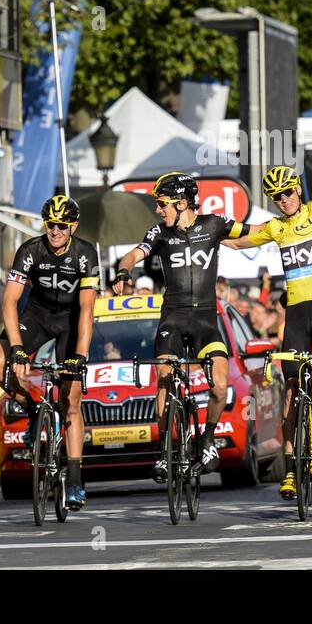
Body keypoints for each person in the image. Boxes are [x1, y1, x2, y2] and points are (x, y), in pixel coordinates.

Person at [223, 100, 312, 501]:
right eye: (276, 196)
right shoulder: (276, 228)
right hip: (297, 314)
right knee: (292, 394)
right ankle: (289, 466)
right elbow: (238, 239)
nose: (283, 199)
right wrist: (198, 229)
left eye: (287, 192)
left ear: (298, 189)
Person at [112, 171, 247, 477]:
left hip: (205, 321)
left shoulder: (214, 225)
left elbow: (252, 234)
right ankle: (163, 451)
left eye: (162, 204)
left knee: (220, 386)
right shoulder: (160, 233)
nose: (158, 210)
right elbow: (132, 255)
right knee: (164, 377)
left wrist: (286, 231)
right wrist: (124, 272)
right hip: (172, 318)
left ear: (182, 203)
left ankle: (208, 439)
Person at [0, 195, 98, 510]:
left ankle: (75, 480)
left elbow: (87, 310)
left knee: (71, 402)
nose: (56, 230)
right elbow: (10, 302)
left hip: (70, 321)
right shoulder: (30, 250)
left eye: (62, 225)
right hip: (36, 316)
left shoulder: (85, 254)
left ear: (73, 226)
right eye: (51, 224)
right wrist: (19, 349)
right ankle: (34, 410)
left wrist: (80, 355)